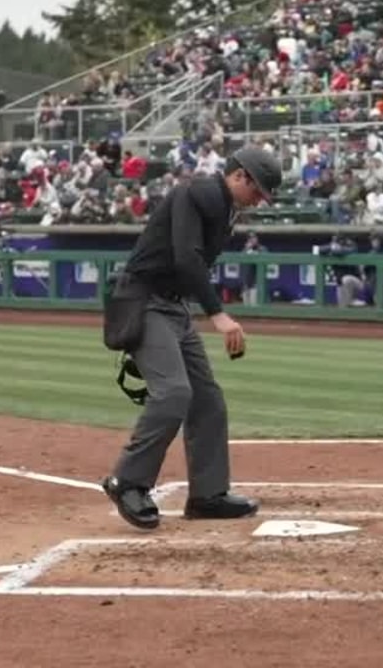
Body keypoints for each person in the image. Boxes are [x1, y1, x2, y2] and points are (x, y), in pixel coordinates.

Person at [99, 146, 283, 530]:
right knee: (174, 393)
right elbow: (186, 257)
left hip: (174, 308)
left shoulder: (225, 208)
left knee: (207, 400)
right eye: (257, 191)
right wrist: (218, 314)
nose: (258, 201)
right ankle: (128, 482)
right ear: (240, 176)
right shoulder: (197, 193)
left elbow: (188, 267)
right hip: (145, 302)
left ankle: (208, 495)